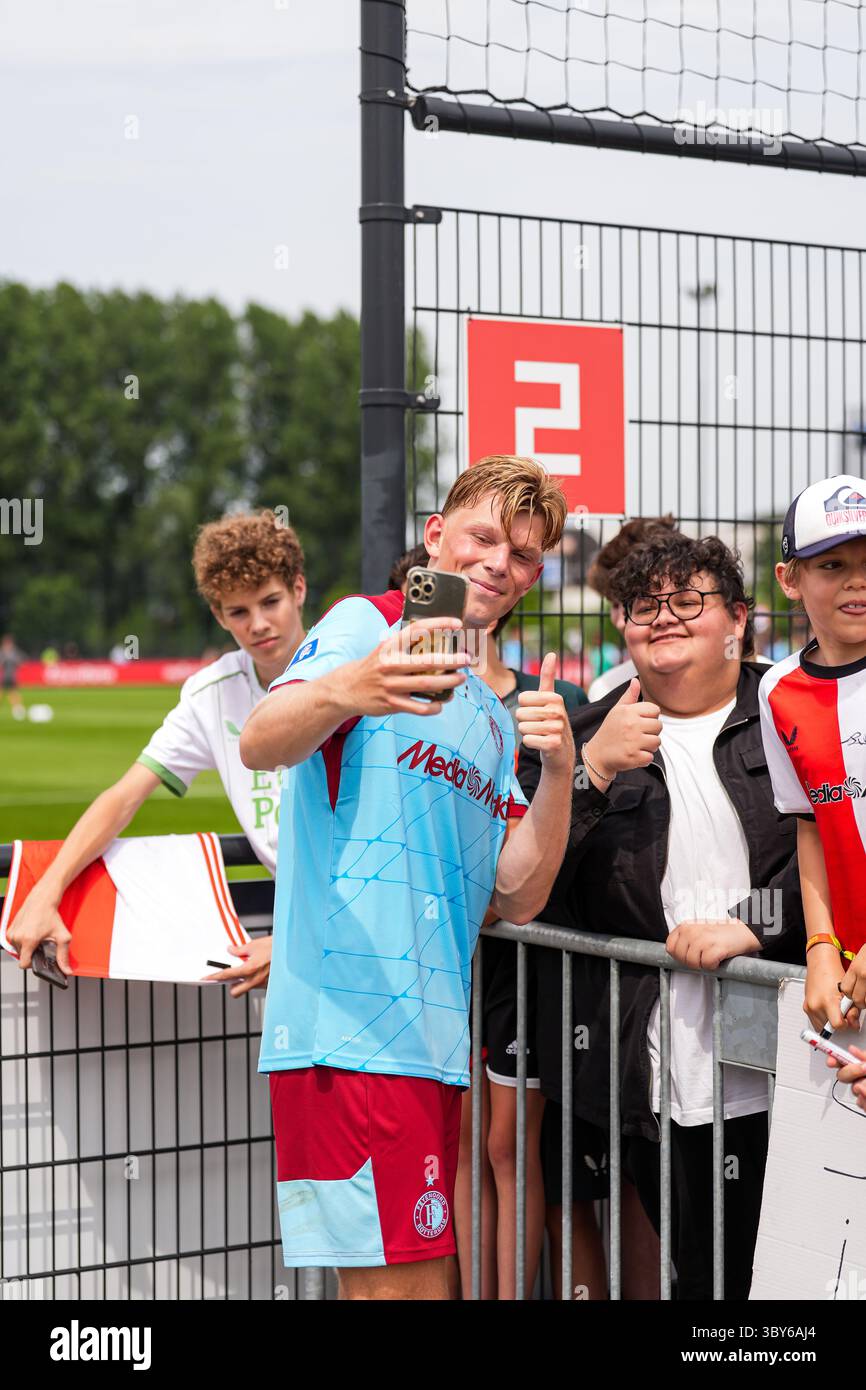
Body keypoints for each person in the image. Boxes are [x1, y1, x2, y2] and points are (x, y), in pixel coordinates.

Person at [240, 455, 576, 1301]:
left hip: (431, 1053)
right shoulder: (366, 625)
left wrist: (565, 774)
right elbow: (261, 739)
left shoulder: (494, 716)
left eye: (525, 554)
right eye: (485, 537)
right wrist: (354, 685)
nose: (501, 563)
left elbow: (518, 894)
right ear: (436, 537)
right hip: (348, 1040)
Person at [519, 531, 807, 1300]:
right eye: (646, 606)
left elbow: (836, 858)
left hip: (798, 1058)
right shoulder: (583, 736)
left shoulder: (794, 715)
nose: (666, 619)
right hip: (656, 1072)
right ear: (622, 625)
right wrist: (589, 774)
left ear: (740, 619)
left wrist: (754, 925)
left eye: (690, 601)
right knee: (704, 1272)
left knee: (807, 1270)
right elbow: (529, 891)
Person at [7, 509, 307, 997]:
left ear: (298, 588)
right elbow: (124, 796)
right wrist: (47, 890)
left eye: (270, 601)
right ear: (217, 614)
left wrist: (296, 940)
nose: (258, 624)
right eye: (237, 611)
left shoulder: (344, 670)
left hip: (358, 929)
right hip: (300, 933)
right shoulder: (211, 691)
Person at [455, 606, 587, 1299]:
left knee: (507, 1146)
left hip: (523, 962)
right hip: (448, 964)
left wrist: (581, 762)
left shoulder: (550, 699)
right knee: (467, 1145)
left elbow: (567, 834)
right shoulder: (416, 703)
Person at [760, 474, 866, 1061]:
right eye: (832, 566)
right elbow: (811, 823)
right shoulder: (777, 691)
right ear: (789, 580)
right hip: (851, 988)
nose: (857, 581)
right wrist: (821, 947)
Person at [585, 517, 679, 701]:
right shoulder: (607, 689)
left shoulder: (750, 683)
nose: (623, 620)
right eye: (614, 604)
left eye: (644, 605)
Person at [0, 633, 26, 720]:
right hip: (4, 676)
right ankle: (17, 709)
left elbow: (21, 662)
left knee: (13, 693)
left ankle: (17, 709)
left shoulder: (14, 652)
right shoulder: (2, 652)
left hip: (12, 676)